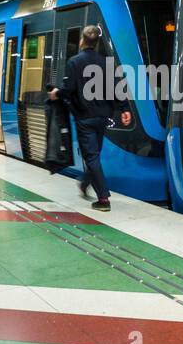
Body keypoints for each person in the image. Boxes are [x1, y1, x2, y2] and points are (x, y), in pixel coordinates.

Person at [49, 24, 130, 212]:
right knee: (94, 155)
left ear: (82, 41)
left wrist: (56, 93)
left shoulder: (74, 62)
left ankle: (103, 200)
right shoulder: (106, 62)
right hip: (102, 117)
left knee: (91, 156)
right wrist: (124, 109)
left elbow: (68, 89)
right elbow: (117, 88)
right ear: (96, 43)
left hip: (85, 118)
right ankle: (85, 183)